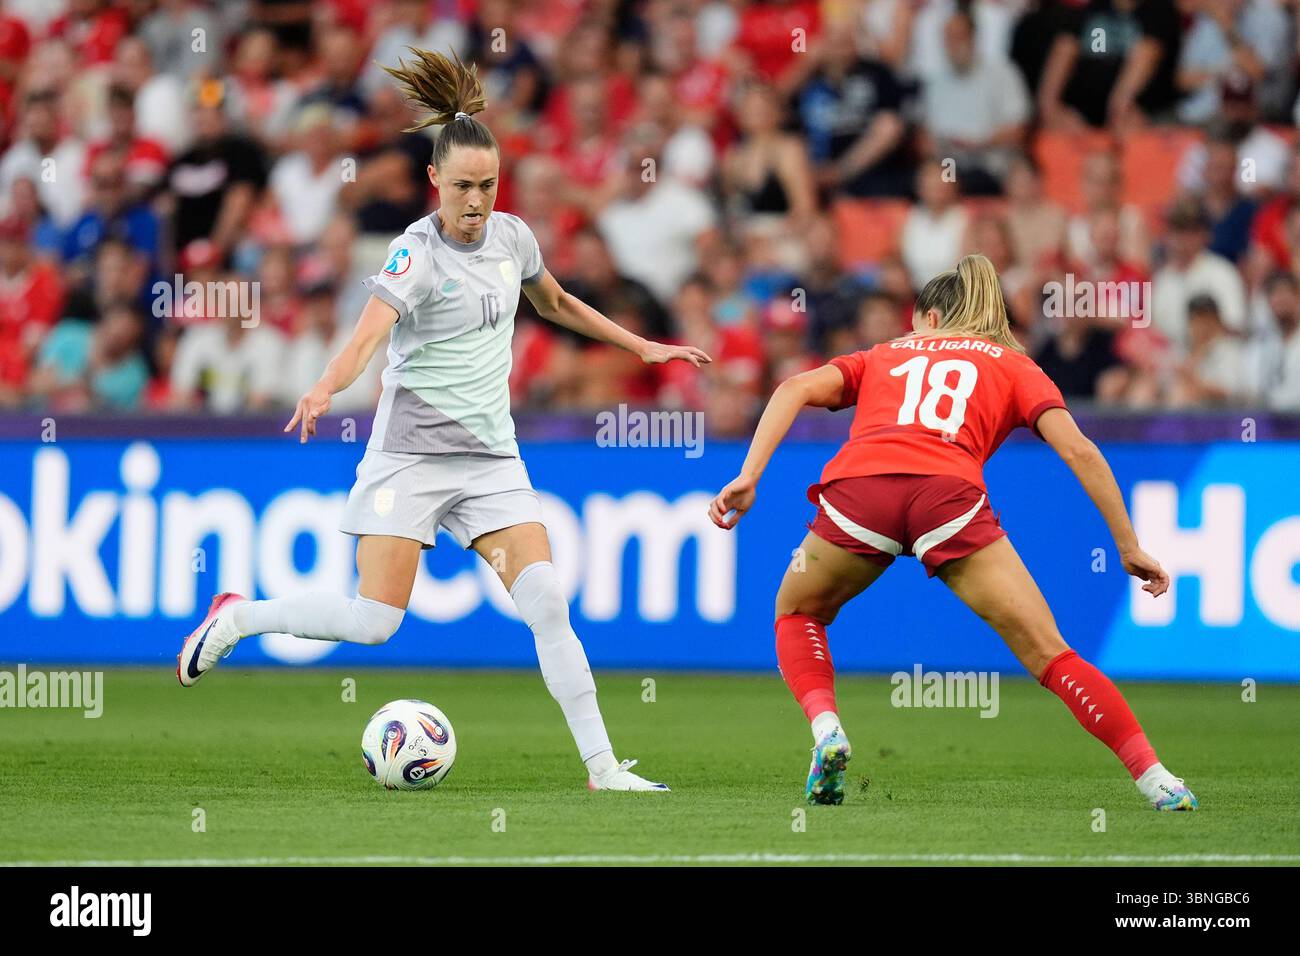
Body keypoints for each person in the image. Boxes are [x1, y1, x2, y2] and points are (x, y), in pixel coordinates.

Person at [175, 49, 711, 793]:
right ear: (434, 181)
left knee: (548, 599)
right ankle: (237, 617)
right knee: (375, 623)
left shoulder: (514, 238)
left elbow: (553, 303)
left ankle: (603, 768)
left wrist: (640, 343)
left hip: (491, 459)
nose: (476, 200)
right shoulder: (414, 255)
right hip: (412, 458)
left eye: (488, 185)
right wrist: (326, 386)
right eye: (463, 185)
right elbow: (365, 336)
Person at [707, 255, 1197, 811]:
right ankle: (1157, 779)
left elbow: (793, 386)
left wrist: (749, 475)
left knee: (797, 613)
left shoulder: (884, 353)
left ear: (931, 319)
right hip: (948, 499)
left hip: (860, 490)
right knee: (1050, 654)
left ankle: (827, 732)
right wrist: (1128, 546)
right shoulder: (1015, 365)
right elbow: (1080, 450)